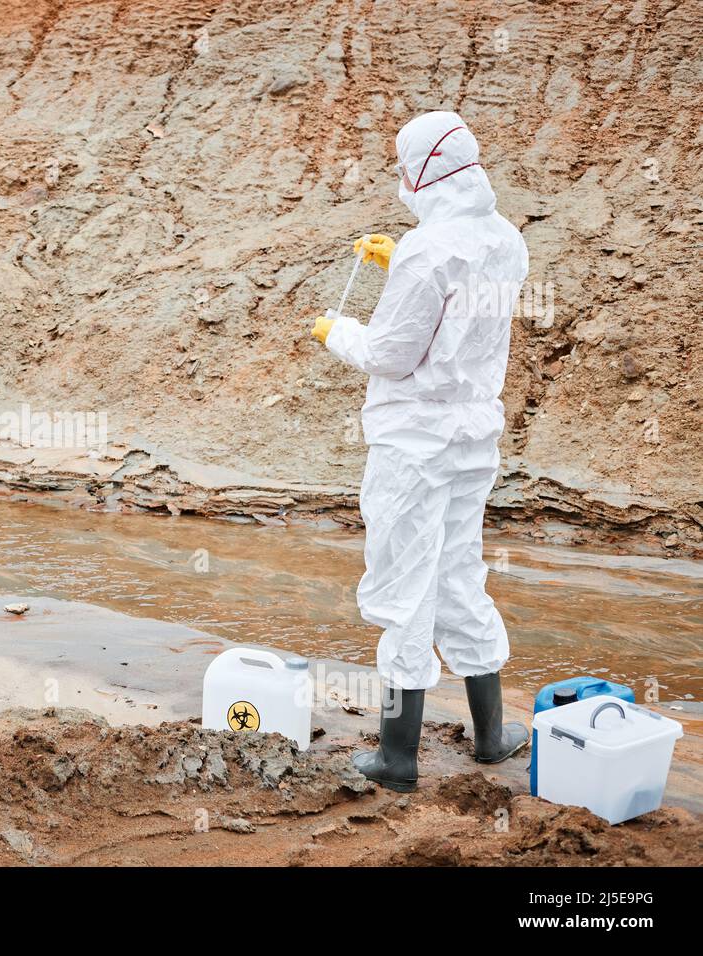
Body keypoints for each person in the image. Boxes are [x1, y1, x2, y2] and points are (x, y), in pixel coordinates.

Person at [310, 111, 529, 791]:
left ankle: (397, 758)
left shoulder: (426, 249)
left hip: (414, 444)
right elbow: (462, 315)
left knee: (405, 586)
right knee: (459, 572)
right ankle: (491, 736)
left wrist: (336, 331)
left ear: (422, 170)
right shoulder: (505, 239)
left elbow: (392, 355)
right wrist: (396, 262)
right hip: (473, 436)